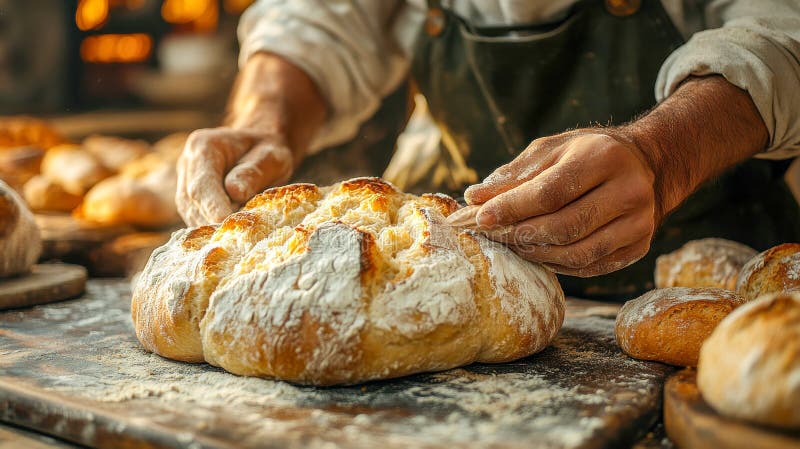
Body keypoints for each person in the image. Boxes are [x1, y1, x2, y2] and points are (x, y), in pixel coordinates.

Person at [176, 0, 800, 299]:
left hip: (708, 274)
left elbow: (783, 31)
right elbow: (315, 19)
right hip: (434, 274)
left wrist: (664, 155)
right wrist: (264, 121)